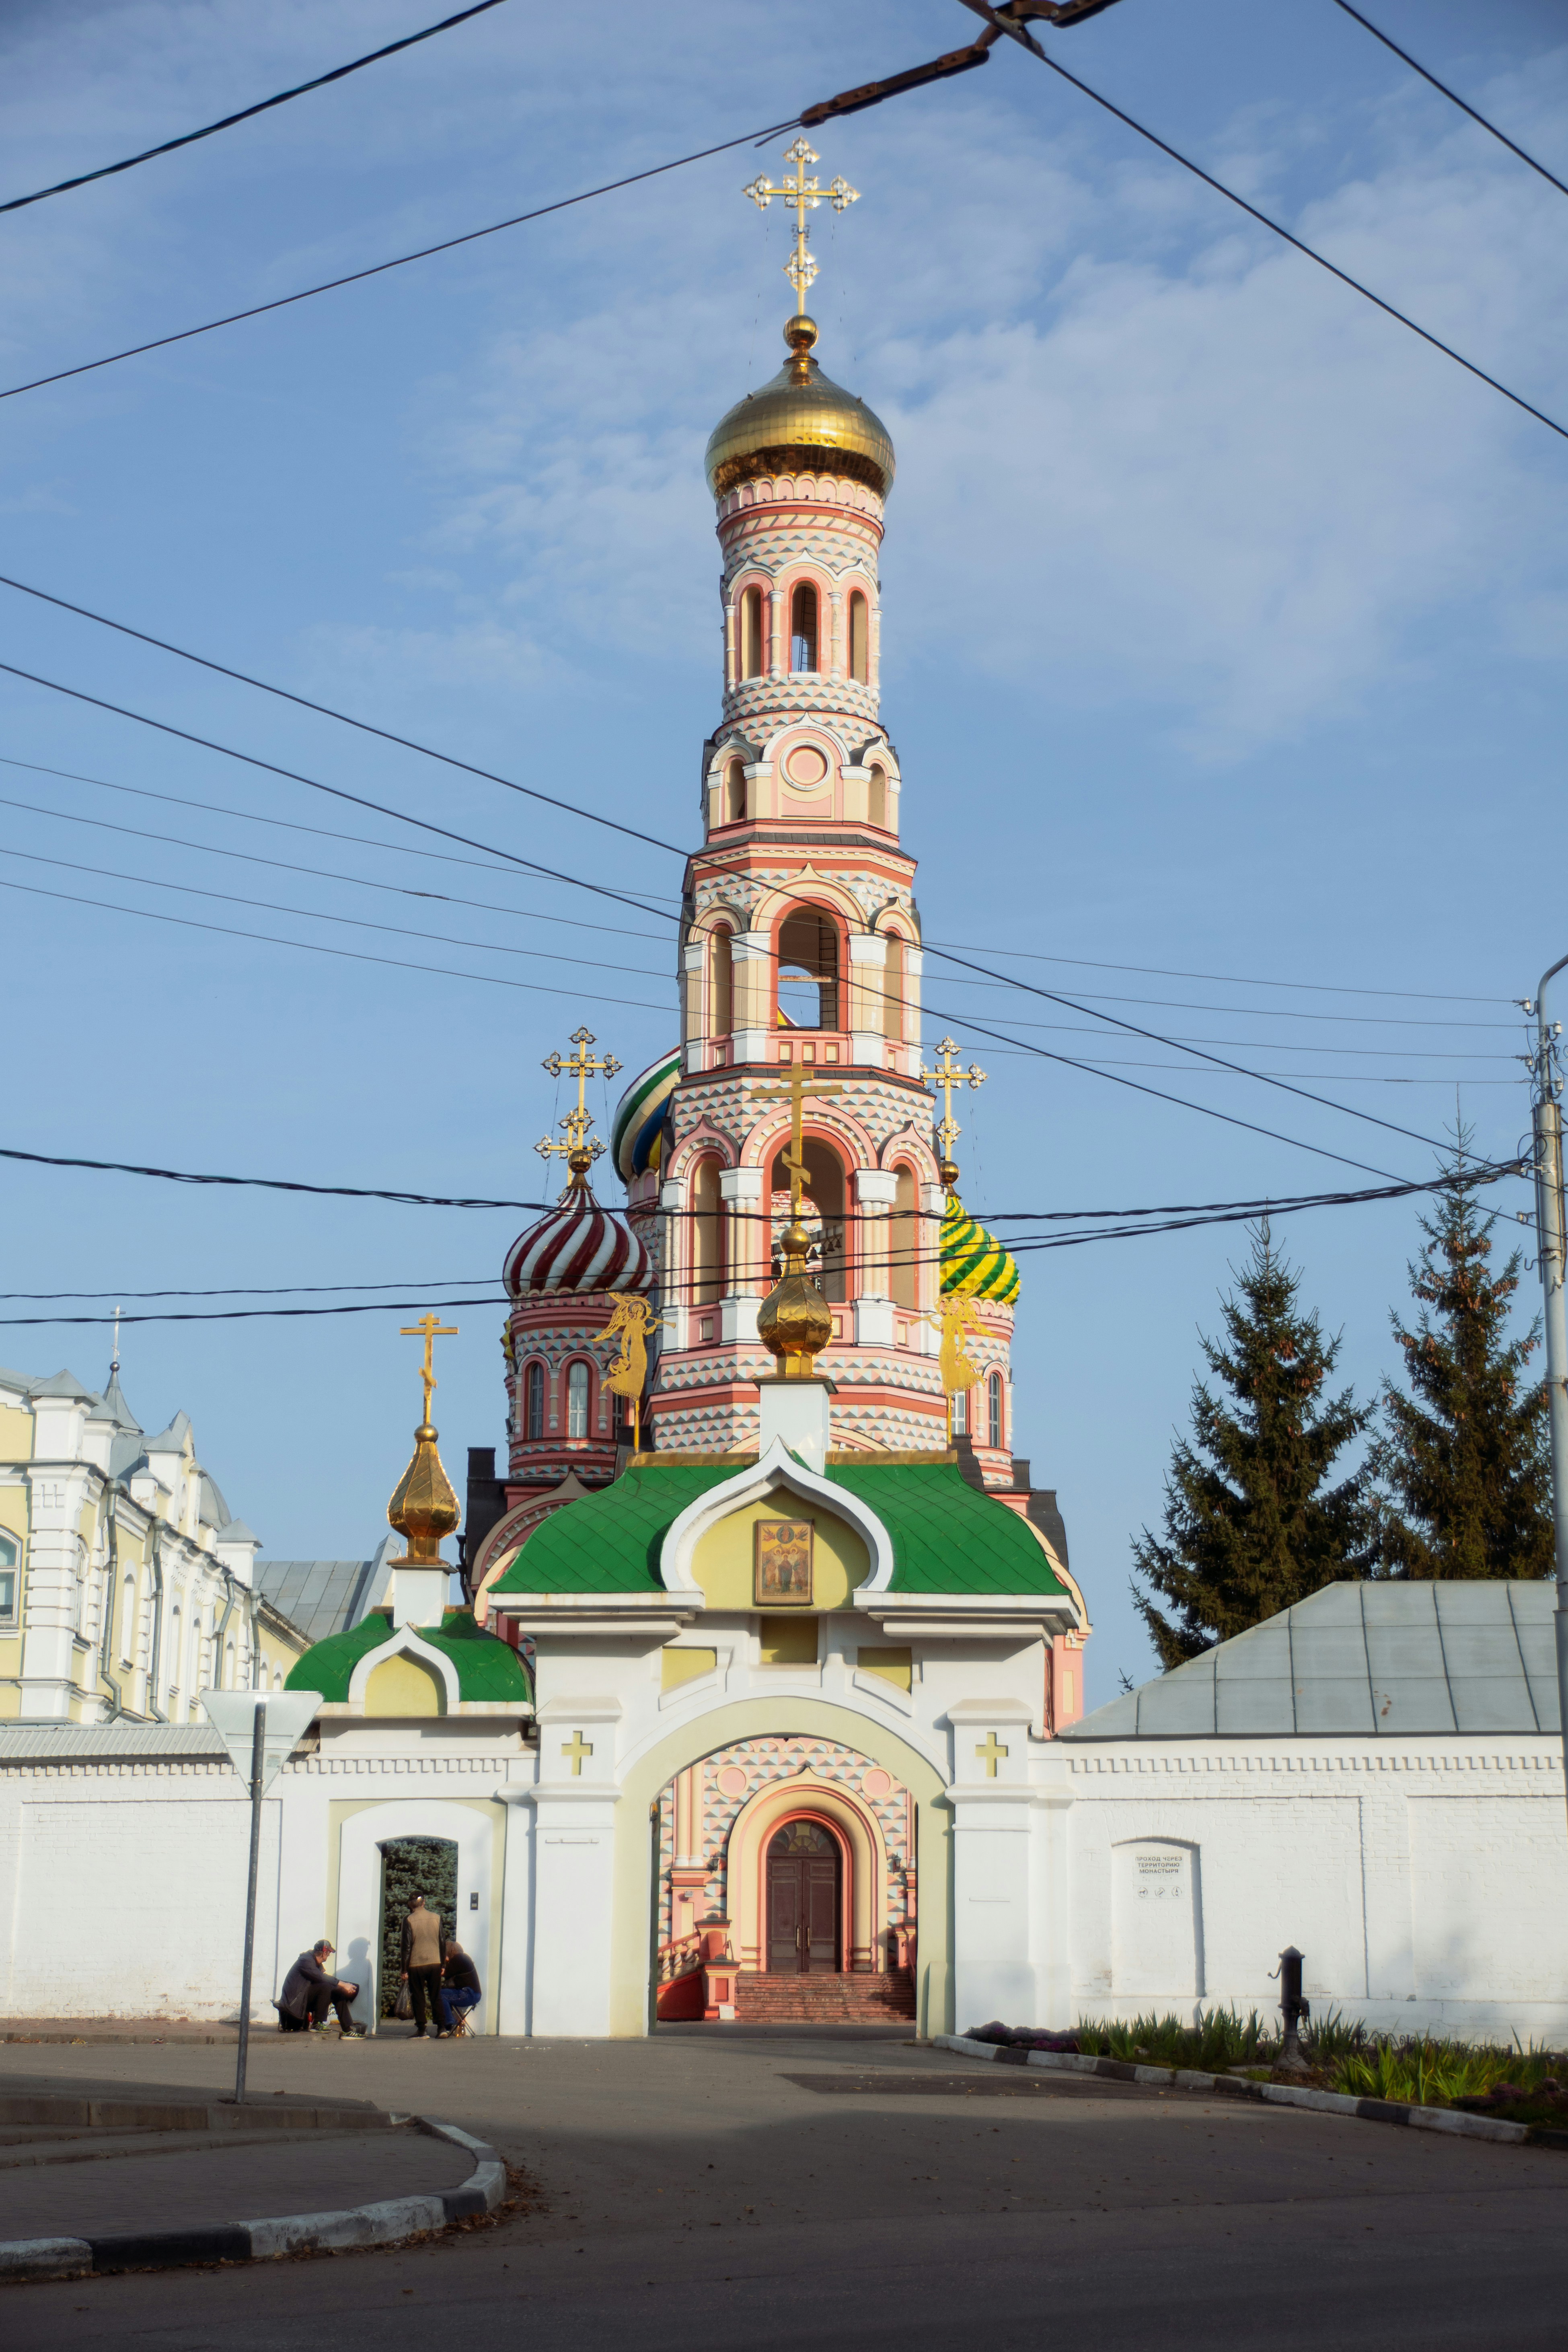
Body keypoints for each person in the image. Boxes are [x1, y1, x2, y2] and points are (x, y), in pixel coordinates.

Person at [278, 1940, 362, 2037]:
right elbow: (321, 1978)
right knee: (326, 1986)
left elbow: (322, 1979)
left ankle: (347, 2031)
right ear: (324, 1953)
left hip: (304, 1999)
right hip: (294, 2003)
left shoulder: (315, 1962)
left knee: (337, 1993)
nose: (329, 1955)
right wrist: (343, 1984)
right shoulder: (306, 1961)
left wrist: (344, 1988)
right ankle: (317, 2024)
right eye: (329, 1953)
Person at [399, 1893, 444, 2038]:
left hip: (416, 1964)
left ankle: (422, 2029)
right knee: (436, 1995)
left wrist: (404, 1970)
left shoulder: (409, 1920)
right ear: (424, 1903)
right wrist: (443, 1964)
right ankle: (442, 2028)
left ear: (410, 1905)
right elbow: (442, 1941)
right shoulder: (436, 1918)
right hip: (435, 1962)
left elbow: (406, 1947)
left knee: (418, 1997)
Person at [434, 1939, 481, 2038]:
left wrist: (443, 1963)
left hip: (468, 1994)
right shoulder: (464, 1958)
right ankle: (450, 2021)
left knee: (440, 1995)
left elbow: (445, 1974)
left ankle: (449, 2022)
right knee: (444, 1994)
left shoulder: (458, 1959)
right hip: (473, 1994)